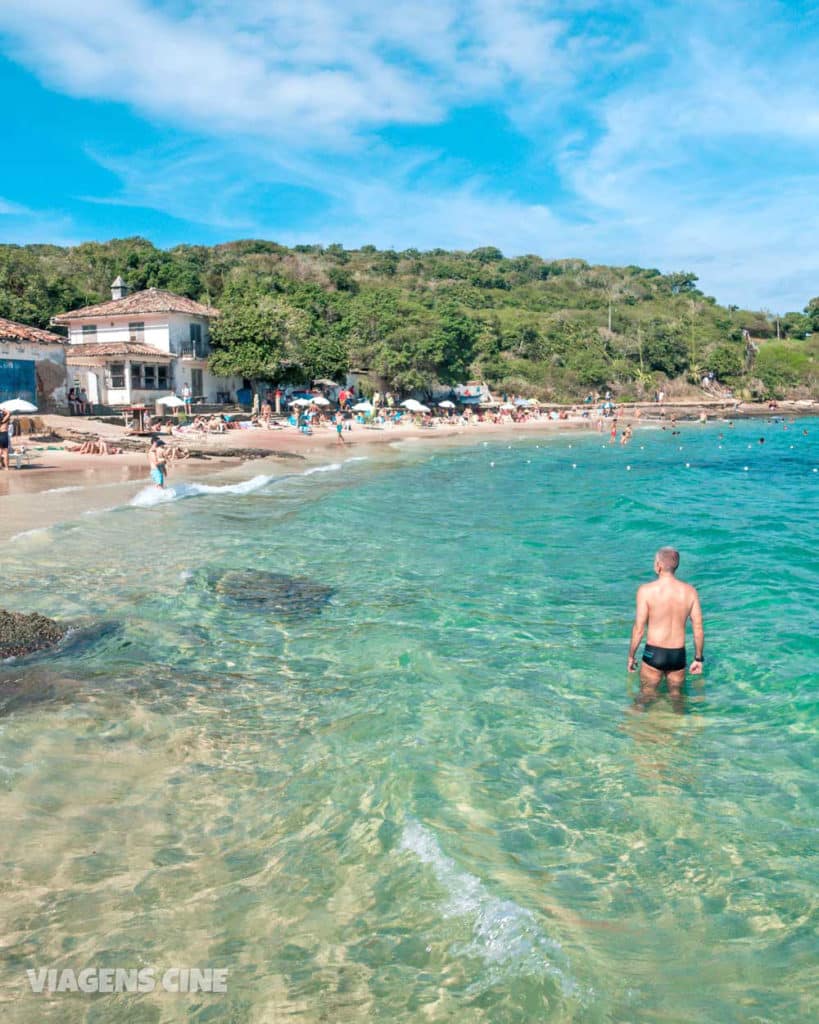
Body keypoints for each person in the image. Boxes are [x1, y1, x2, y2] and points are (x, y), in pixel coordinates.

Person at [628, 547, 704, 707]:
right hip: (678, 655)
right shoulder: (690, 592)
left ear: (658, 565)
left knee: (644, 698)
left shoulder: (645, 590)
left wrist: (631, 656)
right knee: (678, 701)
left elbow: (639, 629)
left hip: (653, 653)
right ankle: (681, 723)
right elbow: (698, 628)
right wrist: (698, 658)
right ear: (676, 566)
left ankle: (633, 722)